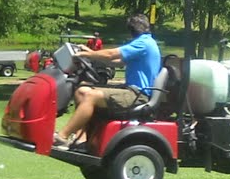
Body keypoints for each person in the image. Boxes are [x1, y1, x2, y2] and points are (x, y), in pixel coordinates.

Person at [56, 14, 160, 146]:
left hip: (138, 95)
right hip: (132, 91)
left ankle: (62, 136)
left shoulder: (143, 43)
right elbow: (116, 62)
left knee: (90, 96)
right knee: (82, 90)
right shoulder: (146, 42)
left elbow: (111, 55)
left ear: (131, 31)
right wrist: (91, 53)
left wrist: (86, 54)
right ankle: (81, 140)